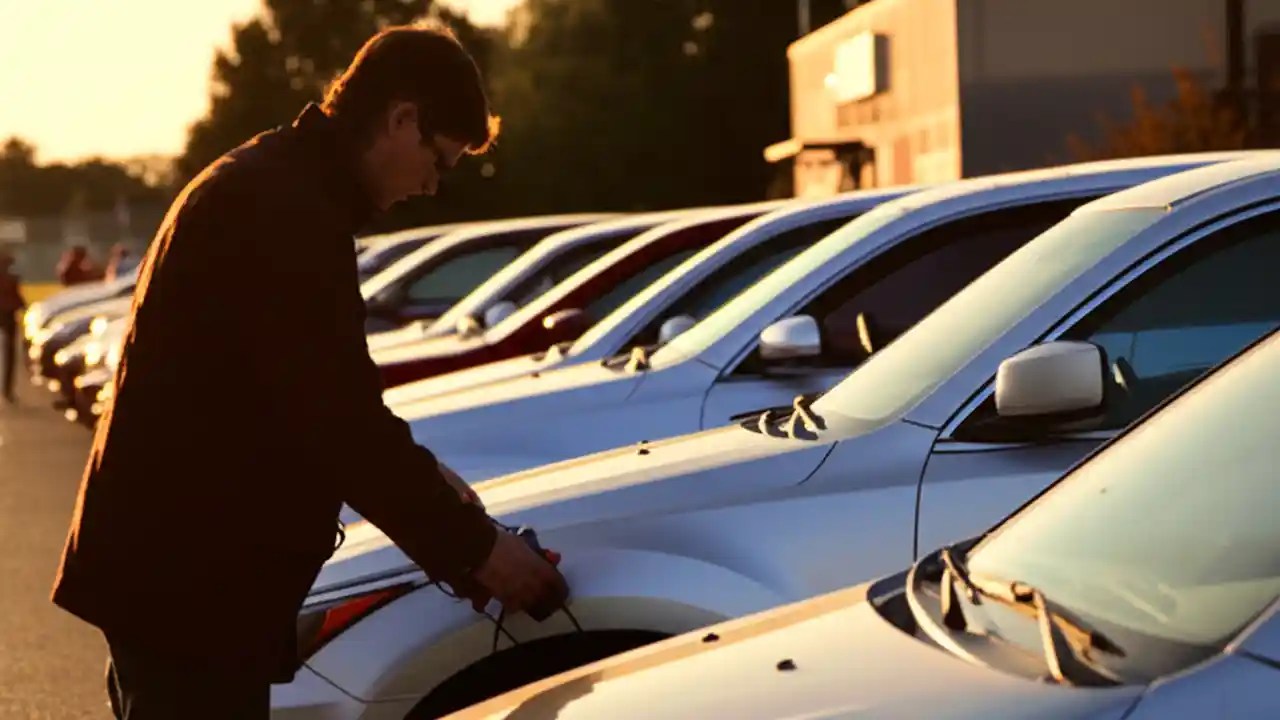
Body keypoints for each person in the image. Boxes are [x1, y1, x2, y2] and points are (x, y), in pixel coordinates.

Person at [51, 23, 567, 719]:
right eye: (438, 162)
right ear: (401, 119)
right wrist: (484, 556)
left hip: (176, 578)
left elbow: (308, 401)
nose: (431, 187)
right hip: (190, 590)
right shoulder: (283, 211)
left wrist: (431, 486)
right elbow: (339, 424)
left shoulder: (277, 185)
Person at [0, 251, 24, 403]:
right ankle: (7, 390)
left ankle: (8, 390)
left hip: (7, 315)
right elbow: (18, 300)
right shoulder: (11, 280)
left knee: (10, 355)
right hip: (8, 316)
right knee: (9, 355)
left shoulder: (11, 279)